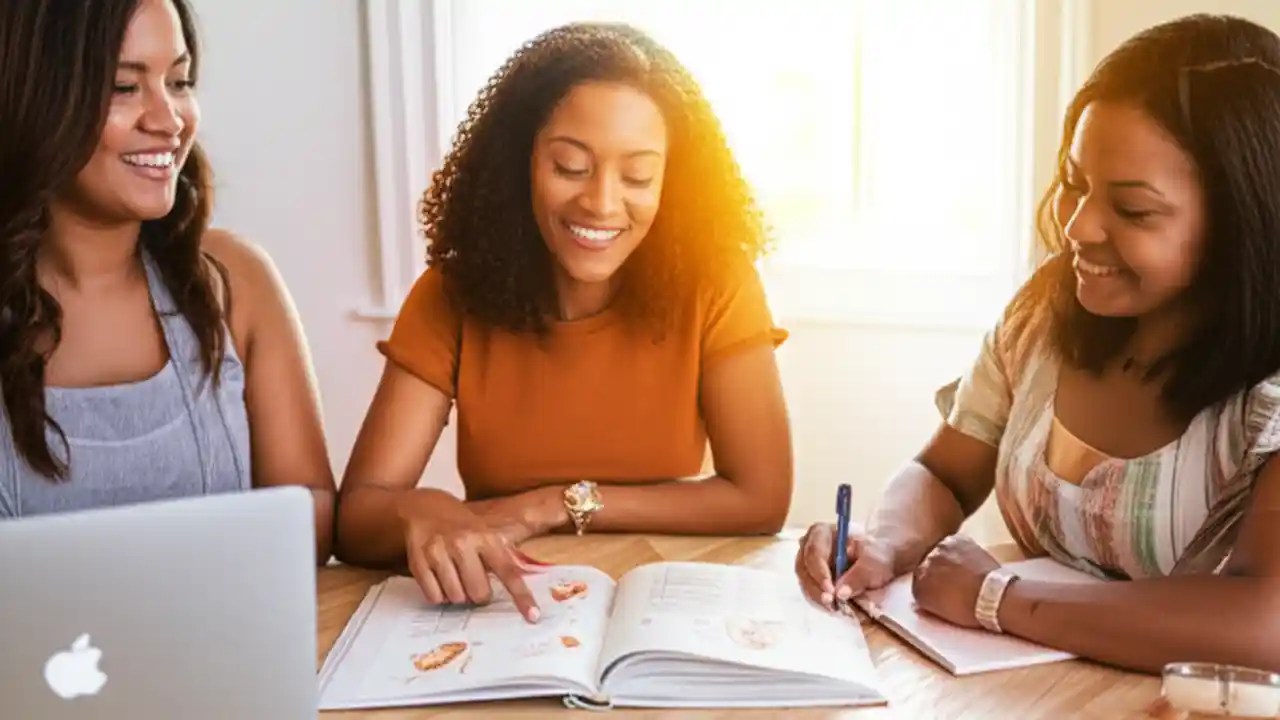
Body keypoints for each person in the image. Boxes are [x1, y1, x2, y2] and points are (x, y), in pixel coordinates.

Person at [797, 13, 1280, 674]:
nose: (1078, 227)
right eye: (1075, 184)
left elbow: (1266, 623)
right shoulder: (1046, 313)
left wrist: (1001, 599)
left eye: (1132, 210)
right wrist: (885, 541)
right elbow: (943, 472)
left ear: (1242, 218)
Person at [336, 22, 794, 619]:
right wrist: (423, 510)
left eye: (637, 176)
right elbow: (358, 519)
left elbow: (761, 498)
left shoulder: (716, 284)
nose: (602, 204)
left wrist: (554, 504)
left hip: (666, 602)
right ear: (520, 162)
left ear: (672, 184)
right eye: (571, 167)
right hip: (504, 606)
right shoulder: (453, 296)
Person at [0, 0, 336, 563]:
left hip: (221, 648)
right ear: (39, 98)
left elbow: (312, 509)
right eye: (124, 87)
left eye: (179, 82)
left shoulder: (235, 282)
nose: (169, 119)